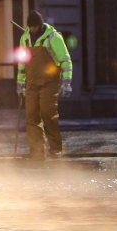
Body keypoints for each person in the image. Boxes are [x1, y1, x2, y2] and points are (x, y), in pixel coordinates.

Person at [16, 9, 73, 159]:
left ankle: (55, 149)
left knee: (48, 113)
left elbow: (65, 60)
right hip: (31, 83)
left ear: (40, 25)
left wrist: (66, 82)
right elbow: (22, 63)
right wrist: (20, 83)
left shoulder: (54, 37)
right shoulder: (25, 38)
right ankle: (37, 151)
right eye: (30, 27)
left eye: (34, 27)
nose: (32, 29)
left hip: (49, 82)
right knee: (31, 117)